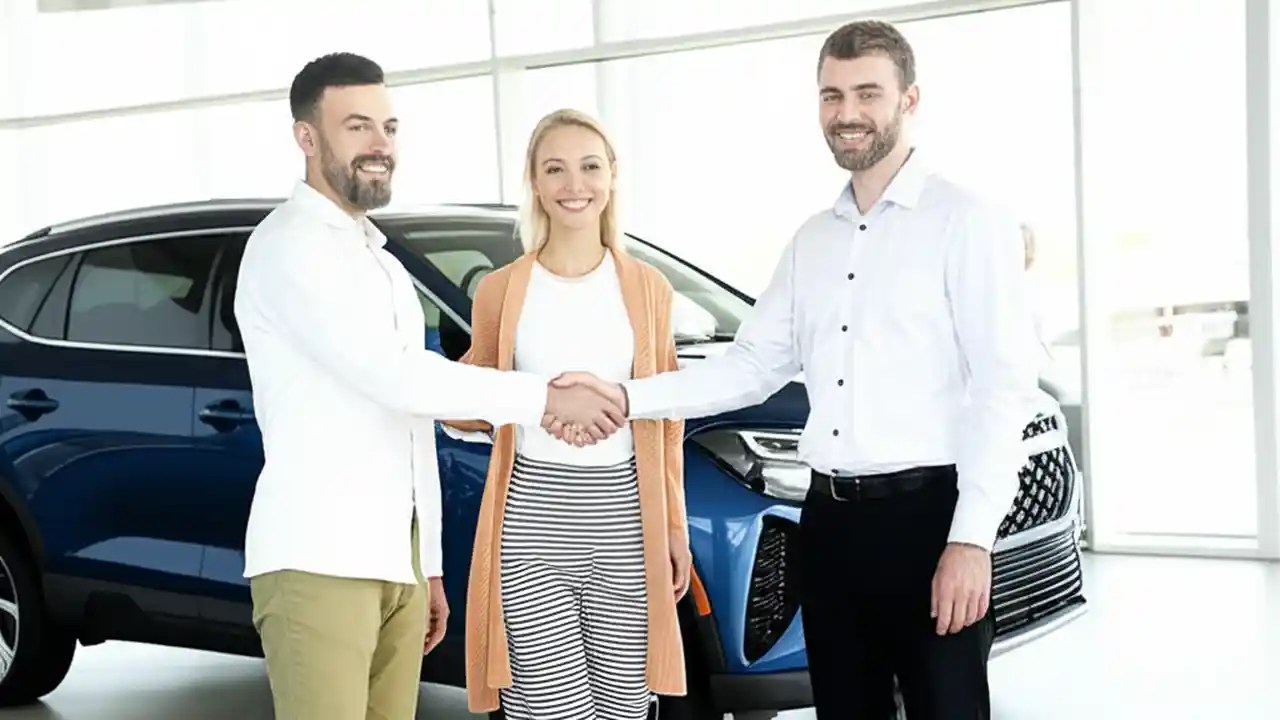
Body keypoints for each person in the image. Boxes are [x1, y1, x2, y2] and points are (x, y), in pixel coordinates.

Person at [551, 19, 1040, 720]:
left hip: (928, 520)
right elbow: (749, 368)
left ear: (909, 100)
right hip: (829, 527)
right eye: (831, 95)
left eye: (867, 93)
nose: (846, 113)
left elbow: (1003, 390)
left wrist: (971, 540)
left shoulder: (967, 221)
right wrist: (623, 396)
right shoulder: (813, 241)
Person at [233, 55, 626, 720]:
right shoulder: (290, 246)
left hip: (394, 561)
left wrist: (429, 564)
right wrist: (545, 398)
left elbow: (408, 425)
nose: (381, 144)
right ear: (306, 137)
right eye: (357, 126)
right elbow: (398, 376)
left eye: (389, 126)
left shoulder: (378, 259)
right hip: (319, 560)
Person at [440, 107, 692, 720]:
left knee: (625, 709)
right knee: (548, 711)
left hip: (625, 522)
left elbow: (667, 417)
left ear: (612, 176)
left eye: (588, 167)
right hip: (532, 522)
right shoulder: (500, 289)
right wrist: (542, 406)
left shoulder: (649, 288)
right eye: (555, 169)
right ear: (534, 181)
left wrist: (675, 530)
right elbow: (470, 400)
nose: (574, 185)